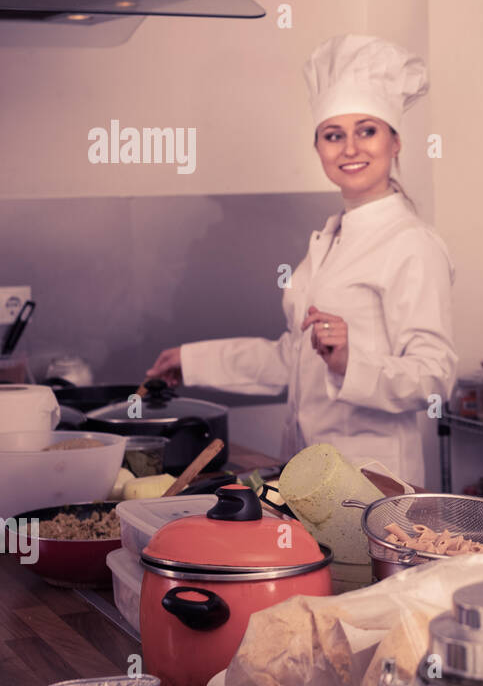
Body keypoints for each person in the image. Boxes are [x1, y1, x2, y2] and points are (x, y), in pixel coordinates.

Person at [148, 34, 457, 485]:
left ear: (396, 142)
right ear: (318, 149)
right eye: (334, 135)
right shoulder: (331, 240)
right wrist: (192, 361)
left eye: (366, 130)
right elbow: (292, 357)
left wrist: (350, 362)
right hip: (307, 478)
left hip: (372, 485)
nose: (350, 149)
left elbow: (435, 377)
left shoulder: (413, 245)